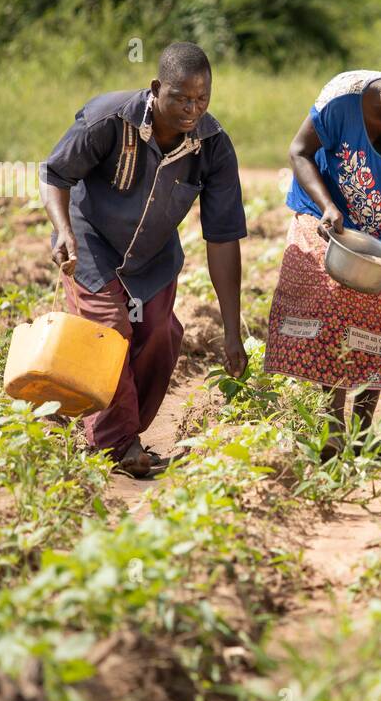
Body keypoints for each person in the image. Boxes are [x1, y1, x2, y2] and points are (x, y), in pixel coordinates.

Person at [38, 41, 248, 478]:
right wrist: (63, 231)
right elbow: (55, 173)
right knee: (109, 334)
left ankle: (120, 431)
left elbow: (223, 238)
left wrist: (233, 330)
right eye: (181, 97)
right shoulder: (110, 121)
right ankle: (118, 445)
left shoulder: (213, 145)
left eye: (202, 99)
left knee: (160, 335)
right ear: (156, 88)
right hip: (92, 246)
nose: (193, 109)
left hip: (152, 259)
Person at [265, 44, 381, 459]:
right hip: (327, 216)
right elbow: (299, 152)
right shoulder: (344, 100)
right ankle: (331, 427)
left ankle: (364, 431)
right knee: (331, 311)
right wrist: (329, 207)